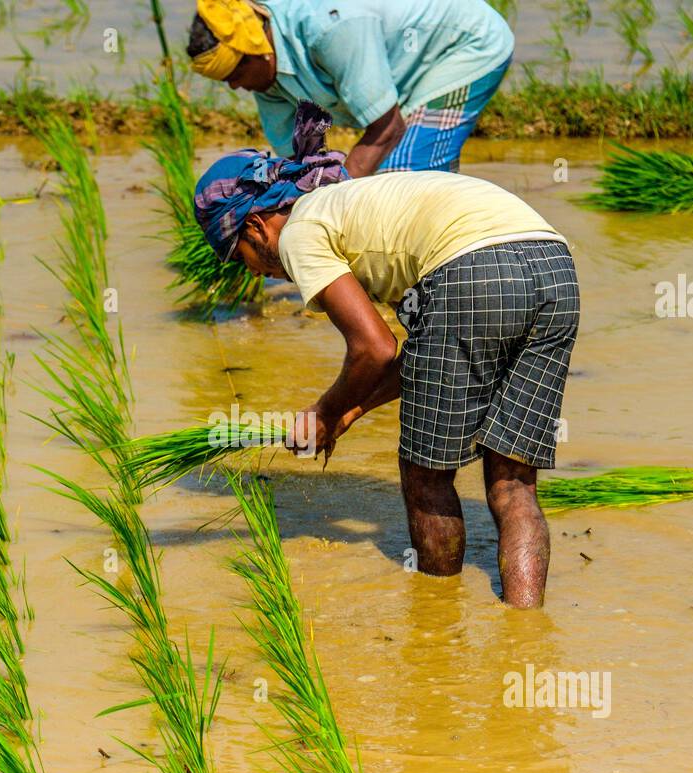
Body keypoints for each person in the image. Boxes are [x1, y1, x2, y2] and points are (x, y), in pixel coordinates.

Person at [194, 104, 579, 608]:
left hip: (472, 268)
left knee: (426, 476)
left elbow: (375, 348)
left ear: (256, 226)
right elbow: (424, 351)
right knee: (513, 486)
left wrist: (323, 412)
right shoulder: (356, 207)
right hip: (555, 270)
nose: (256, 274)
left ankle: (436, 626)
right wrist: (349, 412)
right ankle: (525, 635)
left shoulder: (300, 233)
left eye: (238, 258)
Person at [186, 0, 514, 178]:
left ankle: (438, 282)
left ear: (256, 49)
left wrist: (338, 201)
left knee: (403, 178)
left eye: (234, 73)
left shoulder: (328, 29)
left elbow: (387, 128)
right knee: (380, 183)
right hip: (401, 70)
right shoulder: (266, 76)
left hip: (462, 46)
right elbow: (302, 162)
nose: (233, 86)